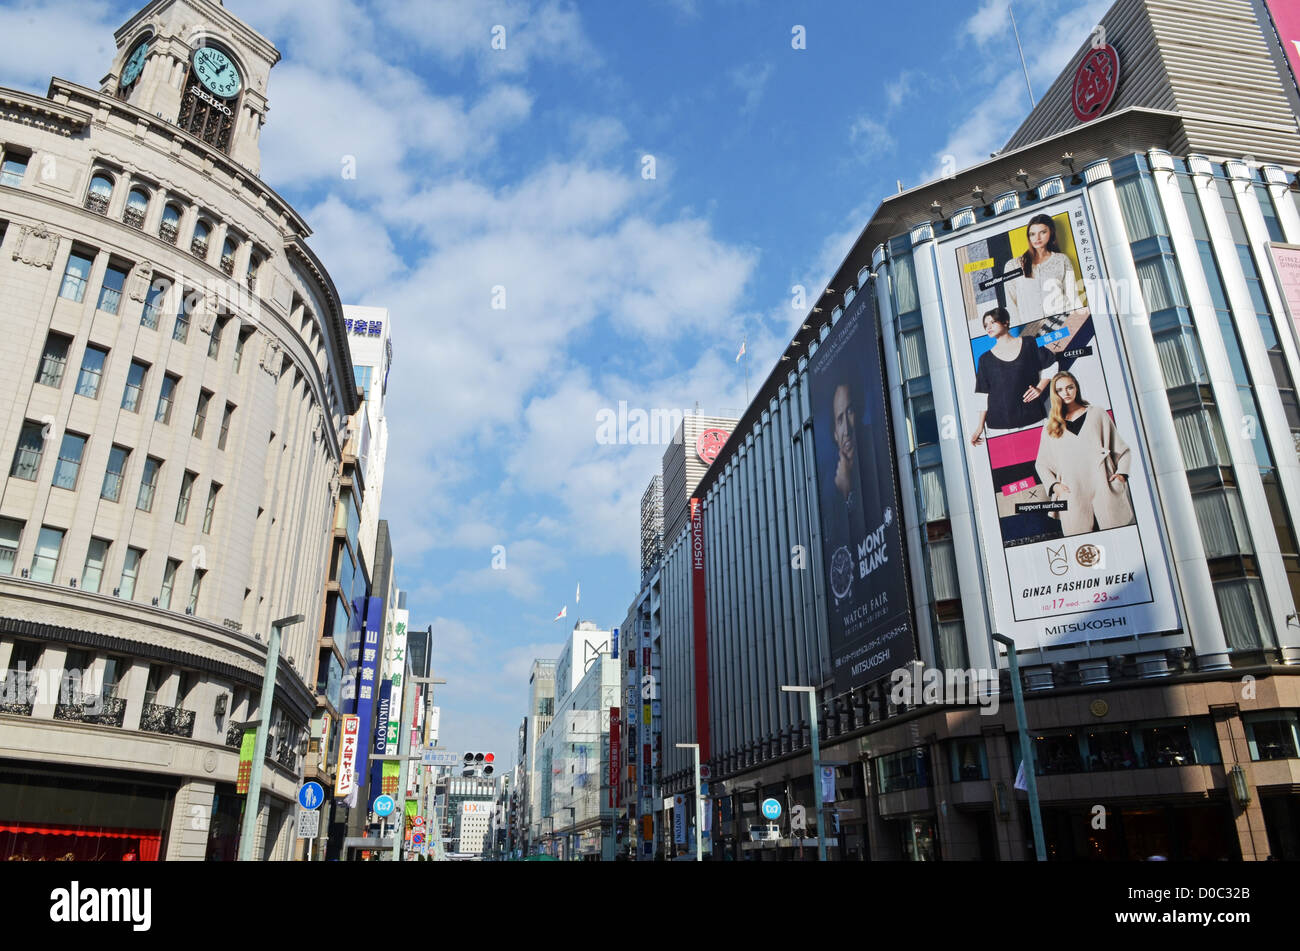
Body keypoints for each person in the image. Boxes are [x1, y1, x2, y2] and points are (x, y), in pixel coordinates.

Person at [1034, 371, 1134, 536]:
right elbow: (1042, 464)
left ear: (1076, 388)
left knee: (1118, 540)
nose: (1065, 393)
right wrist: (1055, 486)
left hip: (1104, 488)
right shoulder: (1050, 427)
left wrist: (1121, 475)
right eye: (1059, 390)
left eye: (1069, 387)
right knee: (1084, 549)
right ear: (1054, 394)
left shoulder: (1097, 413)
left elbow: (1122, 450)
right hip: (1073, 495)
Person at [969, 307, 1057, 445]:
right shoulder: (984, 359)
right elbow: (982, 394)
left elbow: (1051, 364)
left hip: (1032, 417)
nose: (988, 327)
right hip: (999, 426)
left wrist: (1039, 388)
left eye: (992, 322)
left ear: (1005, 322)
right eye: (986, 325)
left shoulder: (1029, 343)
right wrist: (980, 426)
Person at [1003, 214, 1084, 324]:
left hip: (1062, 324)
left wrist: (1079, 323)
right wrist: (1018, 333)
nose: (1037, 238)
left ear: (1051, 233)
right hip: (1030, 329)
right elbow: (1011, 304)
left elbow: (1072, 296)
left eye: (1043, 232)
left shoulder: (1062, 260)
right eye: (1032, 234)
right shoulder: (1013, 265)